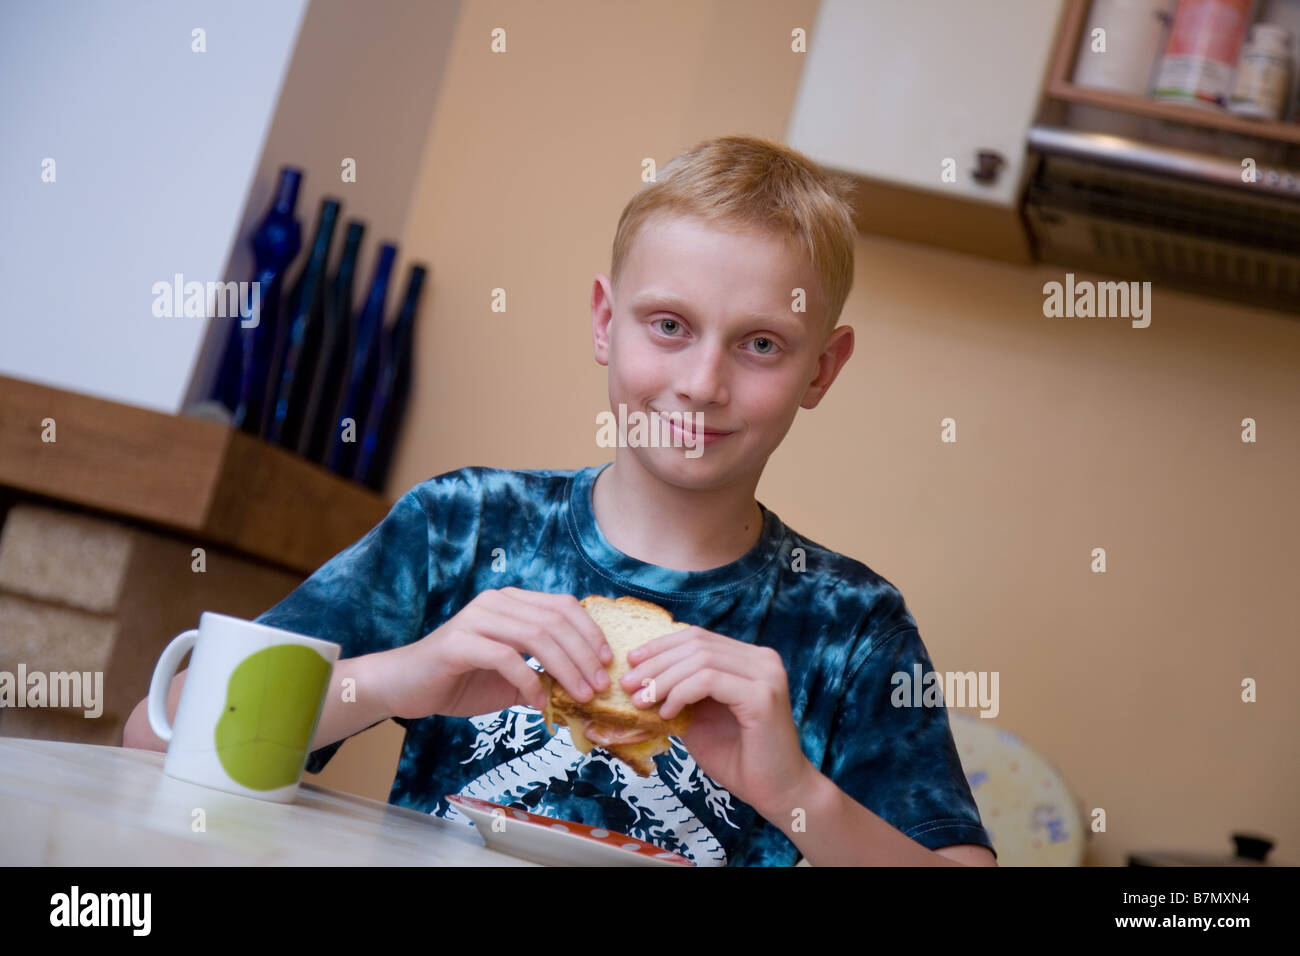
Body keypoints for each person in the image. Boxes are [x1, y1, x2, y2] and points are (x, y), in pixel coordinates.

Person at [125, 134, 997, 867]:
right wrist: (398, 677)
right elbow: (154, 740)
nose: (702, 383)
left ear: (822, 370)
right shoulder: (461, 526)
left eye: (761, 344)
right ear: (602, 322)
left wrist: (793, 792)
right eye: (669, 326)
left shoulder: (854, 623)